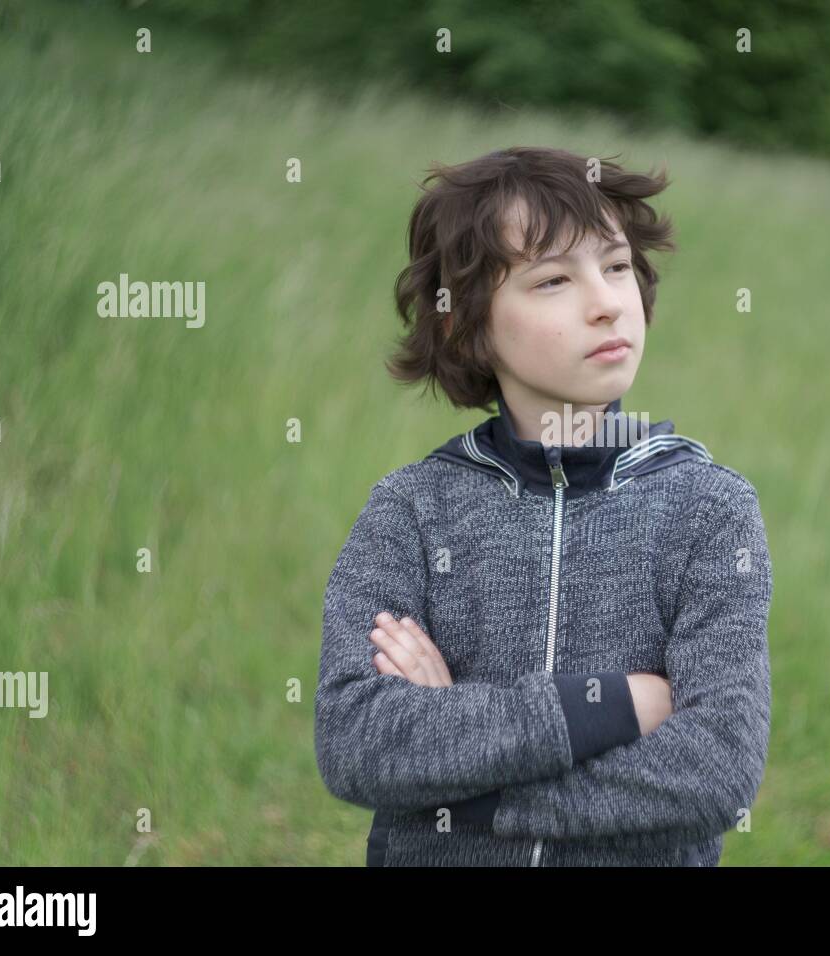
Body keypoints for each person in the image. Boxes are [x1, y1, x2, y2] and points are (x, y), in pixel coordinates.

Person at [314, 145, 773, 866]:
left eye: (616, 265)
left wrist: (464, 789)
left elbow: (714, 772)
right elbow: (357, 744)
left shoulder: (709, 511)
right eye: (554, 279)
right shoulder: (410, 511)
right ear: (465, 325)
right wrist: (606, 707)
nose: (606, 302)